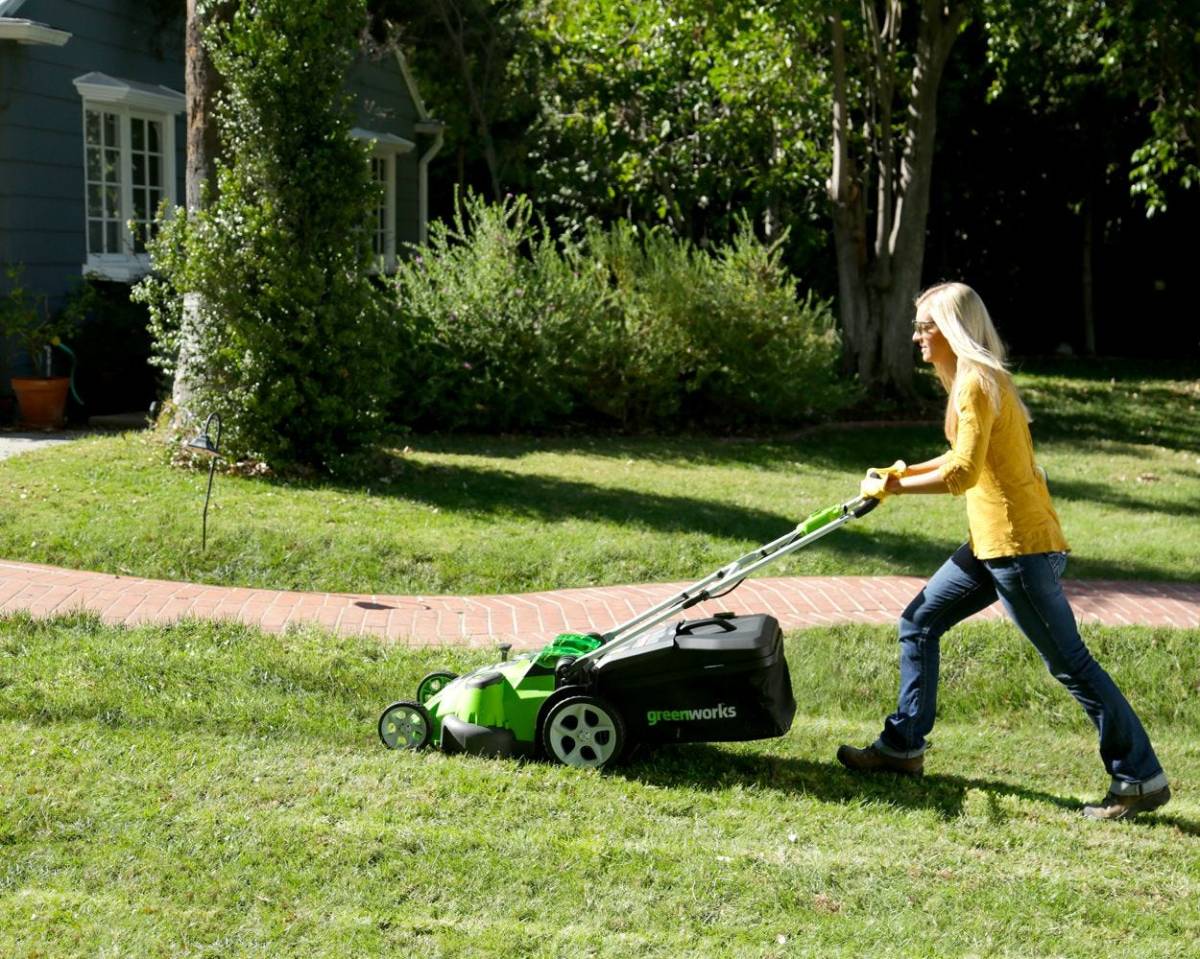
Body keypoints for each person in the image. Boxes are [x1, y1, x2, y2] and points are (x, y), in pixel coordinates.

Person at [836, 281, 1170, 821]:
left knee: (1072, 665)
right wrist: (900, 472)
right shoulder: (979, 379)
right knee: (919, 622)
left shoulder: (975, 383)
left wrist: (895, 489)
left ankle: (1139, 777)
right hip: (992, 544)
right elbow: (959, 457)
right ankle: (902, 748)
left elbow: (962, 474)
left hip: (1017, 549)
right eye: (917, 326)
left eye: (926, 326)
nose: (917, 336)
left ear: (952, 329)